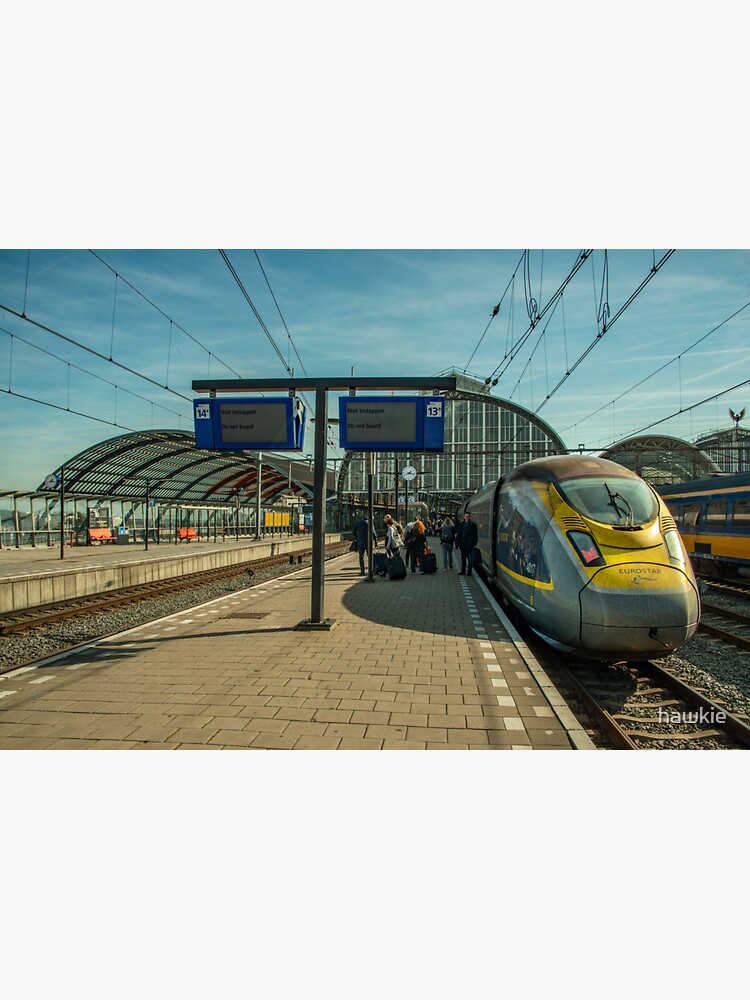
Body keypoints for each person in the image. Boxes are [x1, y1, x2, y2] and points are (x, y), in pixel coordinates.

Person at [456, 511, 479, 575]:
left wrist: (474, 544)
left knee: (470, 559)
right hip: (462, 544)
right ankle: (463, 571)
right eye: (466, 516)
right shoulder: (461, 524)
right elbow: (459, 534)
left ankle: (469, 572)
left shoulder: (473, 525)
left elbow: (475, 535)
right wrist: (458, 544)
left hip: (470, 545)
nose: (467, 517)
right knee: (463, 559)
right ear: (464, 517)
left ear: (470, 517)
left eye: (468, 516)